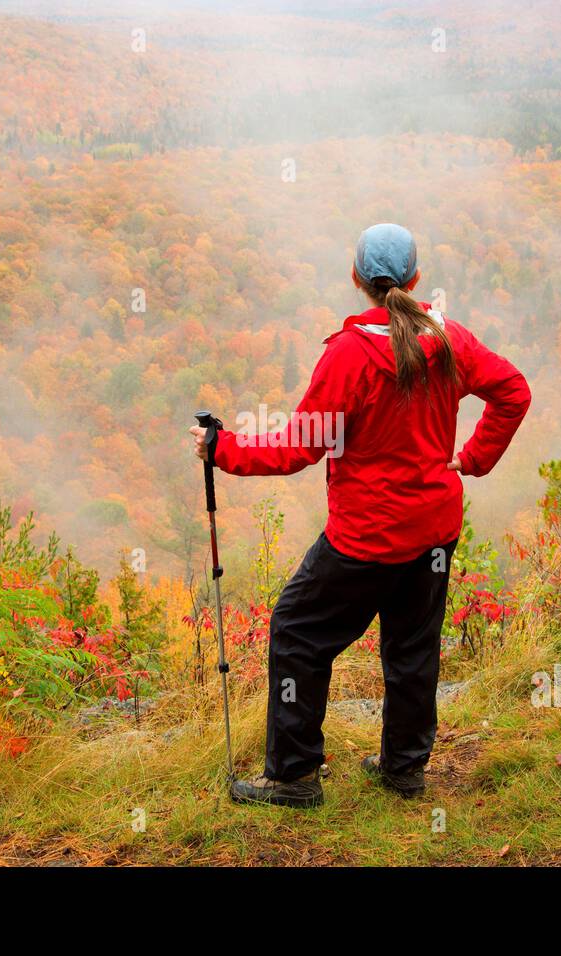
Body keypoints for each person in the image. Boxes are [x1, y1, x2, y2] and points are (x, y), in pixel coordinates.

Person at [188, 222, 531, 807]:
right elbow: (513, 392)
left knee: (298, 632)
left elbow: (299, 446)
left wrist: (223, 449)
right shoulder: (449, 340)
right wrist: (471, 461)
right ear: (416, 279)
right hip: (433, 534)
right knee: (413, 650)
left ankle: (294, 777)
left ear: (356, 279)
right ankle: (403, 768)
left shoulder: (351, 355)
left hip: (366, 538)